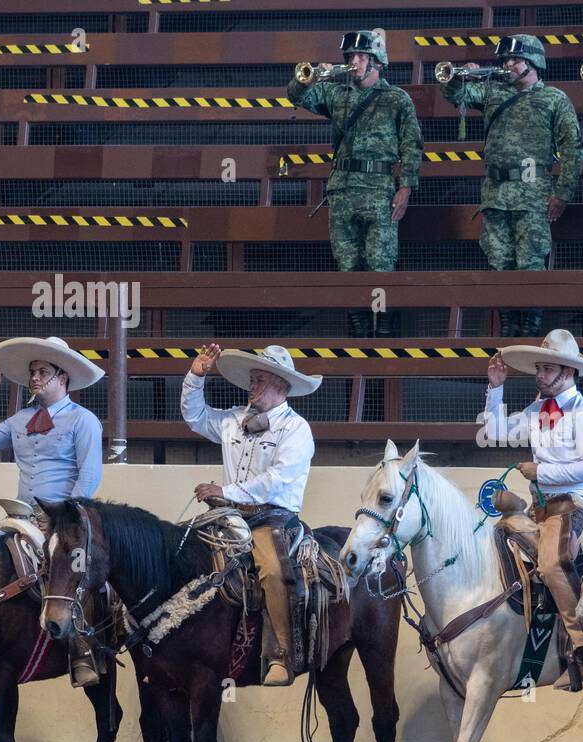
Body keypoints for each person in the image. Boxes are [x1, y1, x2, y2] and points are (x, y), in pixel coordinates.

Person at [482, 329, 583, 690]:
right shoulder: (537, 409)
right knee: (500, 537)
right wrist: (495, 387)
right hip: (543, 507)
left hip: (577, 506)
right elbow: (496, 431)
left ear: (568, 372)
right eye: (540, 369)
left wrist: (540, 472)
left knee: (550, 562)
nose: (540, 375)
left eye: (547, 369)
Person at [181, 343, 321, 686]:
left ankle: (282, 656)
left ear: (281, 387)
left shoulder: (296, 429)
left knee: (272, 571)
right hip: (230, 515)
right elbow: (195, 416)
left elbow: (275, 482)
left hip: (273, 517)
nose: (251, 386)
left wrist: (223, 492)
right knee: (179, 547)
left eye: (259, 380)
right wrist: (196, 376)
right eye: (252, 379)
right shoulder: (232, 419)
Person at [0, 335, 105, 687]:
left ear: (63, 377)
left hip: (65, 518)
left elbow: (89, 476)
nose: (33, 378)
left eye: (41, 371)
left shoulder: (83, 420)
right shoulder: (21, 419)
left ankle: (83, 651)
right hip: (21, 516)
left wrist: (65, 519)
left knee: (70, 574)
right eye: (32, 372)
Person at [443, 35, 583, 337]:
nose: (507, 64)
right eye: (505, 59)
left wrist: (563, 192)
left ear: (533, 62)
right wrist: (458, 75)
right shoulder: (494, 92)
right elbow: (455, 95)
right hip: (496, 193)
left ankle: (530, 328)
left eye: (515, 59)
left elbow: (573, 147)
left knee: (530, 263)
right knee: (499, 262)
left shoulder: (553, 99)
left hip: (533, 194)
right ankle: (508, 325)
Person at [288, 29, 423, 337]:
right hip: (342, 190)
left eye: (361, 56)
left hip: (379, 190)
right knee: (347, 264)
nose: (354, 61)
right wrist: (311, 75)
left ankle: (384, 330)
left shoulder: (396, 99)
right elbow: (296, 95)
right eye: (350, 56)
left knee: (380, 262)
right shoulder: (335, 93)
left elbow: (412, 146)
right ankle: (358, 330)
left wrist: (406, 187)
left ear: (377, 62)